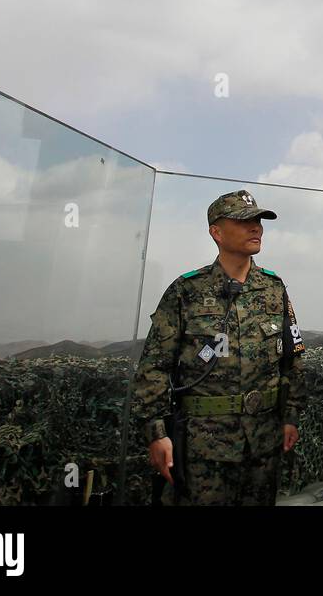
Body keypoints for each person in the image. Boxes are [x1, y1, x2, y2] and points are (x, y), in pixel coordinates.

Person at [130, 190, 307, 506]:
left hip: (263, 443)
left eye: (258, 221)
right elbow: (154, 367)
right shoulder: (186, 291)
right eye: (244, 221)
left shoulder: (273, 288)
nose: (256, 228)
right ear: (216, 232)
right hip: (204, 448)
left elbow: (293, 358)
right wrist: (157, 433)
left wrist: (291, 415)